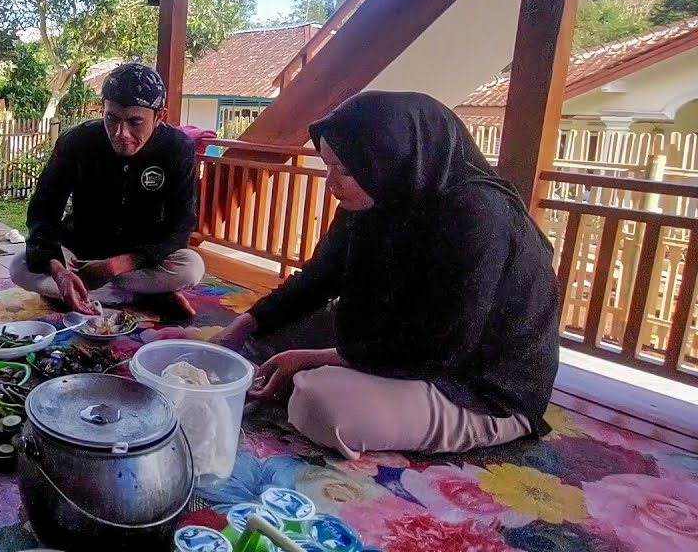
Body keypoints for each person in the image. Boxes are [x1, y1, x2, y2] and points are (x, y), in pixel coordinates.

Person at [214, 91, 559, 460]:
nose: (331, 182)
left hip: (476, 384)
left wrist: (314, 358)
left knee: (319, 402)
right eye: (328, 166)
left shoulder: (477, 214)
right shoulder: (381, 194)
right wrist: (246, 323)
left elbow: (441, 346)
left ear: (392, 159)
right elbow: (320, 277)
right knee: (266, 338)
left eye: (346, 170)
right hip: (401, 346)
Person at [10, 62, 205, 318]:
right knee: (19, 266)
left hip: (136, 262)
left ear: (159, 116)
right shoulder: (76, 141)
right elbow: (43, 212)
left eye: (135, 122)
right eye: (111, 119)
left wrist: (117, 265)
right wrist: (58, 271)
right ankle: (142, 295)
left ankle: (78, 294)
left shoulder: (177, 148)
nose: (121, 133)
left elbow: (181, 225)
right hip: (80, 254)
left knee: (190, 268)